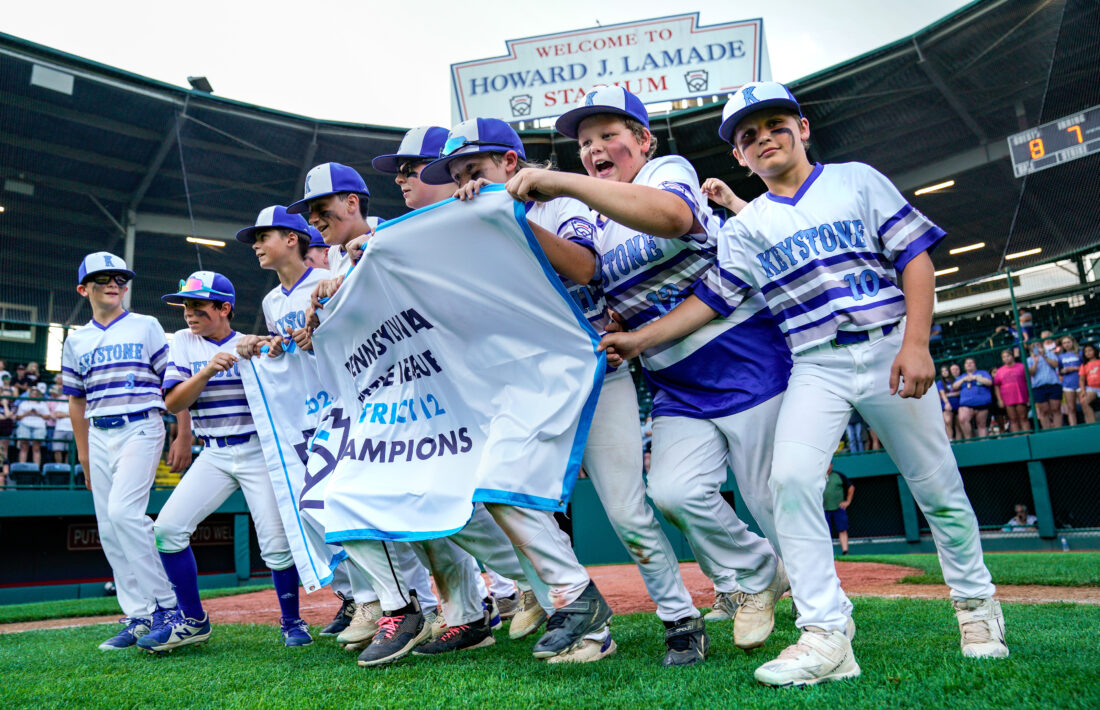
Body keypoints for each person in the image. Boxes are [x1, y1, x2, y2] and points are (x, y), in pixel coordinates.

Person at [599, 81, 1007, 685]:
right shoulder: (747, 225)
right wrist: (641, 339)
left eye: (774, 124)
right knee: (788, 481)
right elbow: (712, 300)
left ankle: (976, 604)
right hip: (815, 363)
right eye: (748, 135)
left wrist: (918, 342)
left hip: (889, 344)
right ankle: (826, 632)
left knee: (938, 486)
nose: (764, 138)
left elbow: (914, 257)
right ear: (738, 155)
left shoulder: (856, 180)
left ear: (803, 127)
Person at [502, 88, 791, 663]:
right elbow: (598, 290)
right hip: (672, 379)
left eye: (609, 135)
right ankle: (762, 573)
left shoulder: (666, 171)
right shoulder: (595, 224)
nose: (595, 149)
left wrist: (561, 181)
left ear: (643, 140)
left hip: (743, 355)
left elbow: (672, 216)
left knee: (771, 496)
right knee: (674, 492)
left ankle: (820, 615)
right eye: (584, 144)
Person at [139, 271, 311, 653]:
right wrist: (206, 371)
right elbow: (174, 402)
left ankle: (292, 621)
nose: (189, 313)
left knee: (276, 545)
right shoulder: (183, 342)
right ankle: (193, 620)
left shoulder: (255, 345)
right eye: (185, 305)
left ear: (224, 308)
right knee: (167, 529)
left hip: (258, 450)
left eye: (198, 305)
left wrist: (274, 348)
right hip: (213, 452)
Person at [61, 252, 192, 650]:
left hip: (141, 424)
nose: (113, 283)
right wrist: (83, 454)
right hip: (99, 434)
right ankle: (139, 614)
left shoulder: (146, 325)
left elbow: (174, 384)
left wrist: (182, 433)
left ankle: (169, 608)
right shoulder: (75, 339)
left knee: (124, 513)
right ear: (84, 289)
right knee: (108, 528)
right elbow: (76, 401)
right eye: (102, 279)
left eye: (119, 277)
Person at [1027, 335, 1063, 429]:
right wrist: (1035, 361)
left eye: (1038, 344)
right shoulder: (1029, 359)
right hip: (1039, 386)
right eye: (1034, 345)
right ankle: (1047, 431)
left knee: (1056, 408)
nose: (1036, 347)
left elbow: (1055, 365)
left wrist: (1044, 356)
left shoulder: (1050, 354)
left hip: (1053, 384)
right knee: (1044, 411)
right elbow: (1031, 372)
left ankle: (1058, 430)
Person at [954, 358, 993, 438]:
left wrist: (976, 378)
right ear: (964, 366)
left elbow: (989, 382)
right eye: (966, 363)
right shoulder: (962, 376)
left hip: (982, 404)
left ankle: (983, 444)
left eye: (971, 362)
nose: (969, 364)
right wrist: (964, 379)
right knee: (963, 419)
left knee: (981, 424)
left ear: (975, 364)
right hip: (966, 404)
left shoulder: (983, 373)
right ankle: (969, 441)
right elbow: (955, 386)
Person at [993, 350, 1030, 433]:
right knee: (1012, 419)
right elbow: (997, 386)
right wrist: (1000, 399)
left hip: (1021, 396)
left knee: (1023, 417)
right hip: (1008, 398)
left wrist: (1029, 396)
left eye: (1008, 356)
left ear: (1012, 356)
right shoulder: (999, 371)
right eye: (1004, 357)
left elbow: (1028, 381)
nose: (1006, 358)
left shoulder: (1022, 367)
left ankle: (1027, 436)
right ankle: (1017, 438)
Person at [14, 382, 50, 466]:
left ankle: (36, 469)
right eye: (32, 393)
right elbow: (18, 417)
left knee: (36, 448)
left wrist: (38, 414)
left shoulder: (43, 404)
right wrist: (27, 413)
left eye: (36, 393)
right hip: (25, 425)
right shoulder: (23, 403)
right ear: (29, 394)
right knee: (24, 447)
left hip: (39, 426)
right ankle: (21, 467)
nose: (34, 395)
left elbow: (47, 416)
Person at [823, 464, 854, 555]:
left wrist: (847, 501)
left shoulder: (838, 475)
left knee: (842, 529)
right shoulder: (818, 477)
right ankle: (827, 554)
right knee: (824, 532)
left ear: (831, 465)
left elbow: (851, 487)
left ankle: (845, 551)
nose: (827, 466)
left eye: (829, 464)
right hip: (823, 509)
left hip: (838, 508)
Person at [1058, 335, 1082, 426]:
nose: (1067, 344)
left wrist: (1074, 368)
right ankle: (1073, 427)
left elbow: (1086, 366)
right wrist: (1063, 371)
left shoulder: (1079, 353)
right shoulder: (1061, 356)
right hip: (1068, 384)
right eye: (1064, 343)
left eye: (1068, 342)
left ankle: (1090, 424)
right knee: (1071, 408)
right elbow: (1060, 370)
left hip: (1080, 382)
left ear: (1072, 342)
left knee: (1085, 405)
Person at [48, 382, 74, 463]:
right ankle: (59, 466)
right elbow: (57, 415)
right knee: (57, 449)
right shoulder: (61, 403)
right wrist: (70, 414)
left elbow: (77, 416)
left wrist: (64, 414)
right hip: (59, 429)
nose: (68, 396)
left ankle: (67, 468)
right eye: (67, 395)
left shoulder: (77, 405)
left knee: (70, 451)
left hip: (72, 429)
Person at [1079, 343, 1100, 424]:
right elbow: (1081, 380)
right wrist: (1083, 391)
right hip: (1092, 388)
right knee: (1084, 401)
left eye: (1090, 350)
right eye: (1086, 351)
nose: (1088, 353)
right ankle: (1093, 423)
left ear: (1095, 351)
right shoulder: (1084, 365)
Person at [937, 365, 957, 439]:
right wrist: (947, 403)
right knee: (948, 422)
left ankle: (959, 441)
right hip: (946, 405)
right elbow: (942, 394)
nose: (944, 372)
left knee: (958, 426)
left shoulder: (955, 380)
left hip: (957, 404)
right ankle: (950, 440)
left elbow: (960, 392)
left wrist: (950, 394)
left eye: (946, 370)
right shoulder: (940, 383)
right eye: (942, 371)